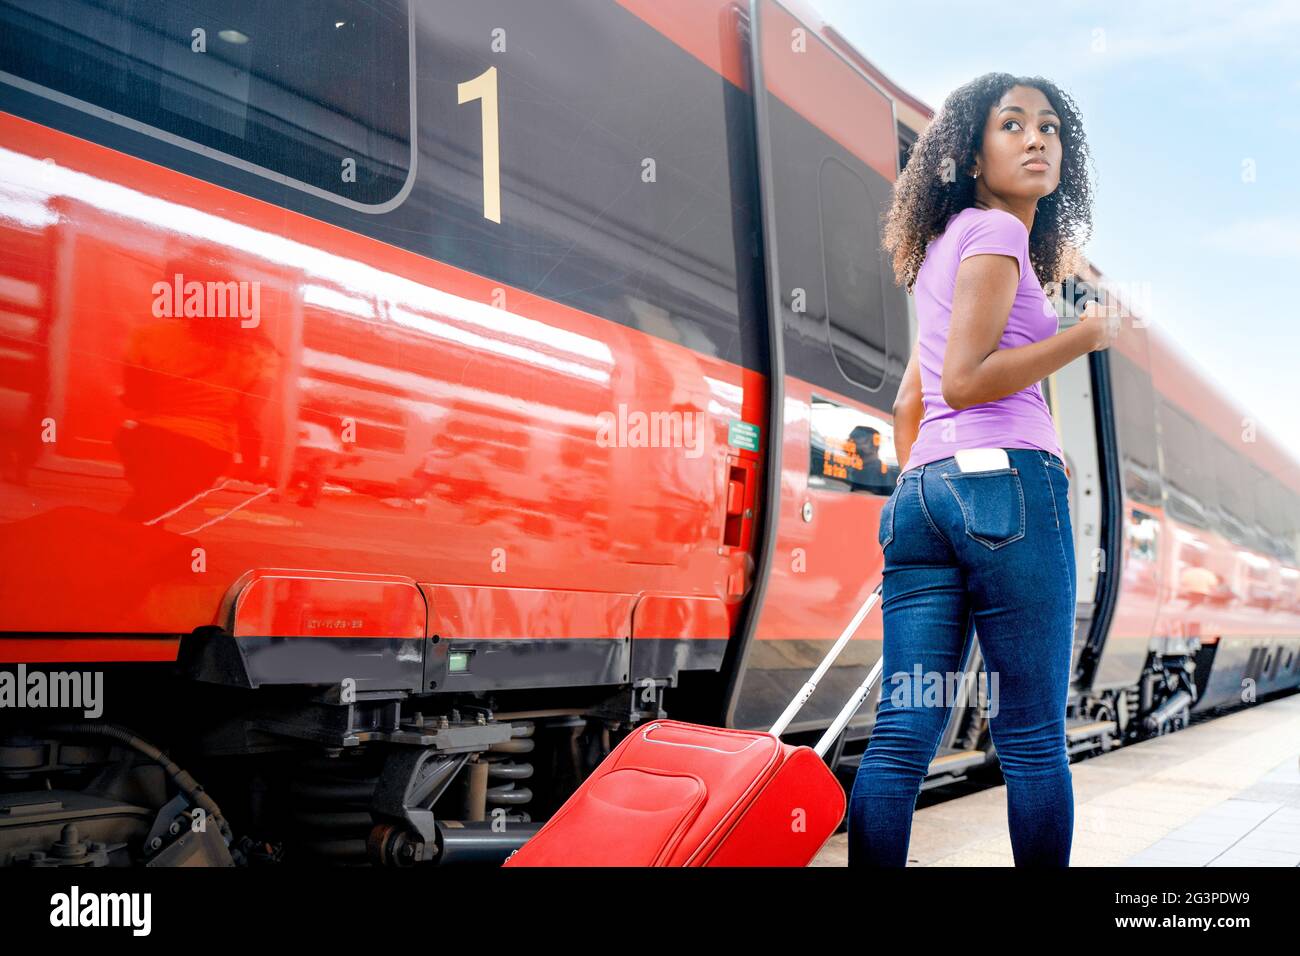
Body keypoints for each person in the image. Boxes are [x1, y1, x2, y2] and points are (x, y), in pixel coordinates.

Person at [847, 74, 1121, 867]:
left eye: (1049, 127)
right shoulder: (999, 235)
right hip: (1008, 489)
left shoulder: (944, 247)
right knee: (1032, 733)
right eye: (1012, 125)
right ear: (972, 154)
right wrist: (1082, 337)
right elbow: (965, 383)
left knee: (902, 733)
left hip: (924, 497)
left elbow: (916, 398)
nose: (1036, 139)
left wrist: (929, 489)